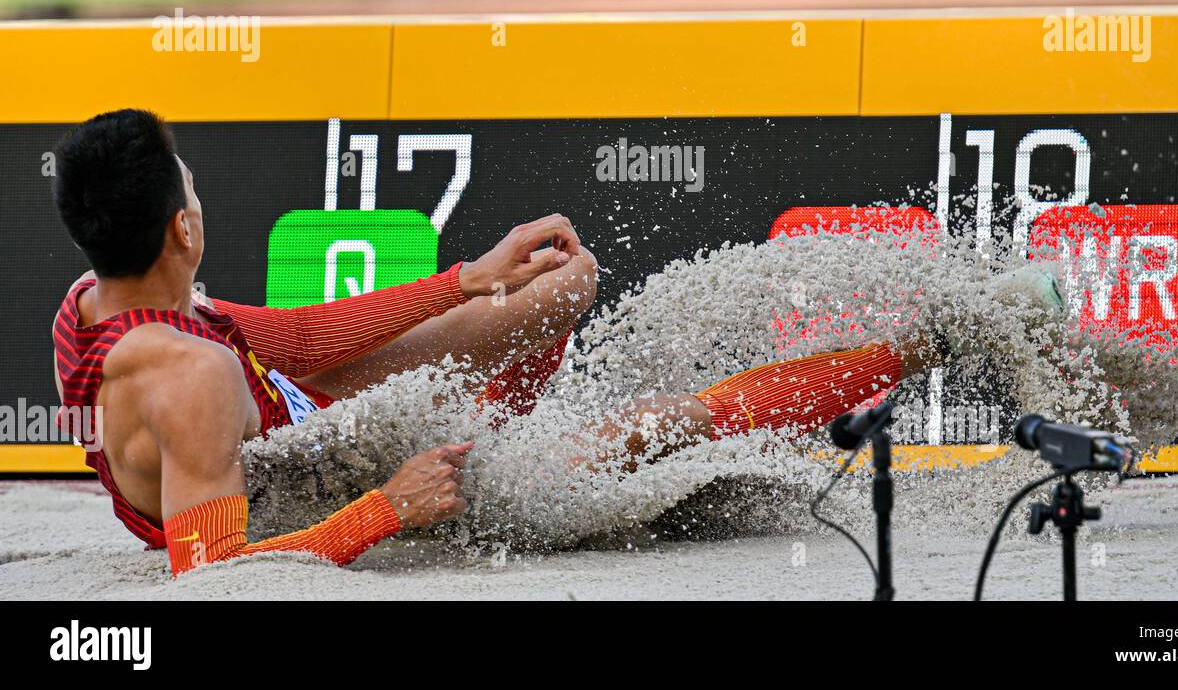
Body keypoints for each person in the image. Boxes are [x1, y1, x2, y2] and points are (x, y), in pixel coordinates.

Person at [52, 109, 1055, 577]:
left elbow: (298, 337)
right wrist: (387, 507)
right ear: (180, 228)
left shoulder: (99, 301)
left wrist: (471, 277)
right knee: (667, 419)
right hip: (345, 483)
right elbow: (219, 579)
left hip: (302, 426)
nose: (200, 194)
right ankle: (941, 334)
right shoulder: (188, 382)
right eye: (190, 185)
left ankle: (510, 399)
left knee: (553, 281)